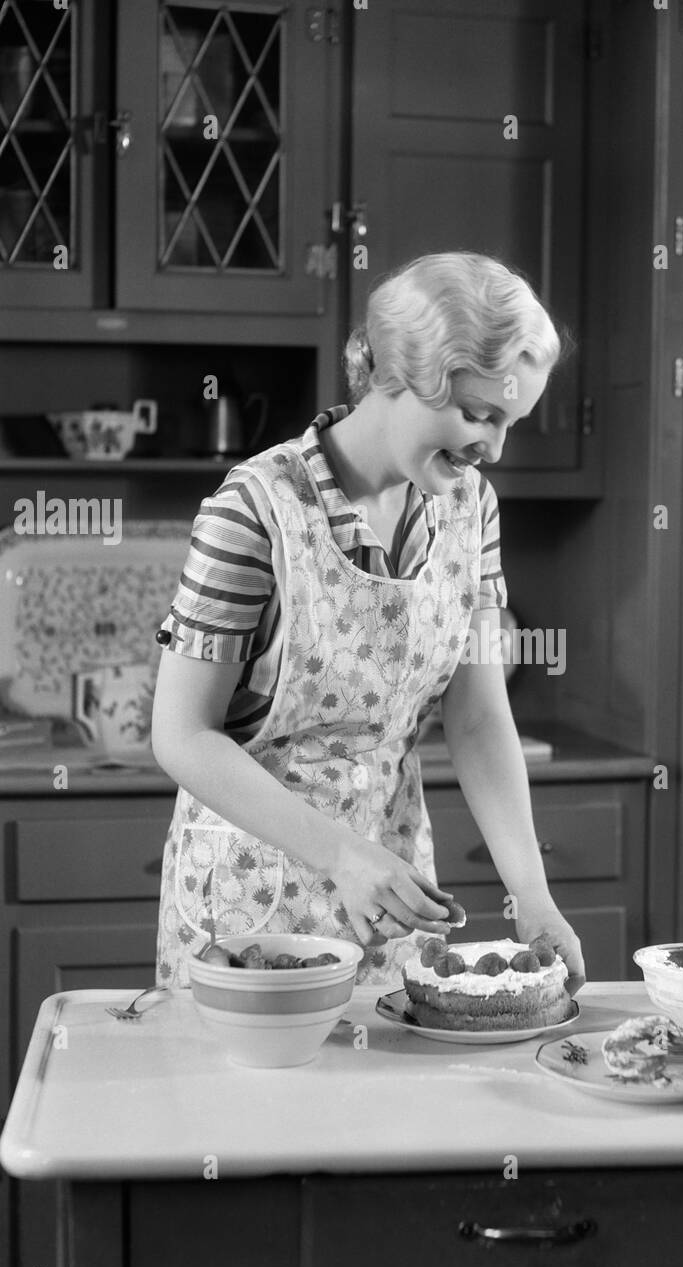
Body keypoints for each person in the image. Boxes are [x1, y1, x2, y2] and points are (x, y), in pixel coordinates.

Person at [150, 251, 586, 993]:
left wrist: (532, 895)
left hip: (393, 899)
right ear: (395, 375)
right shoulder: (254, 511)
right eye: (478, 414)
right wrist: (341, 855)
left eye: (509, 421)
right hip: (248, 903)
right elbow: (181, 734)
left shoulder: (469, 507)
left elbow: (478, 717)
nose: (493, 446)